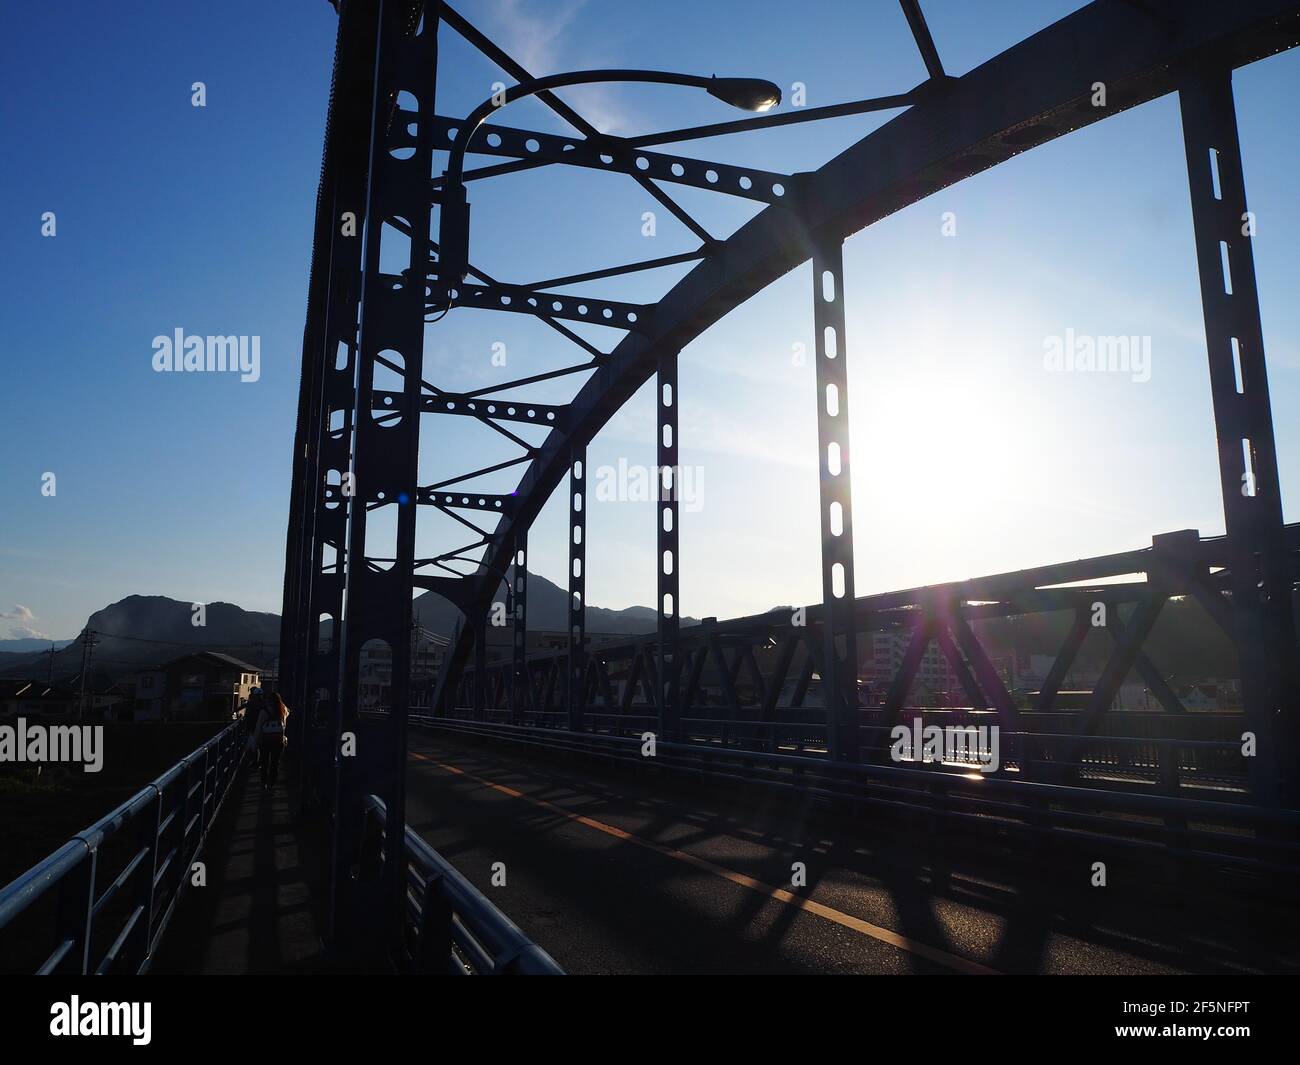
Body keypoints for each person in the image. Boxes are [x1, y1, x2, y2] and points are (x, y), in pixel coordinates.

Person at [251, 691, 290, 792]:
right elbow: (284, 725)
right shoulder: (283, 710)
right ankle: (271, 785)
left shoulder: (264, 712)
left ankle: (264, 784)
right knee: (275, 763)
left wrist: (255, 743)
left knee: (264, 763)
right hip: (278, 741)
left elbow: (258, 728)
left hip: (265, 741)